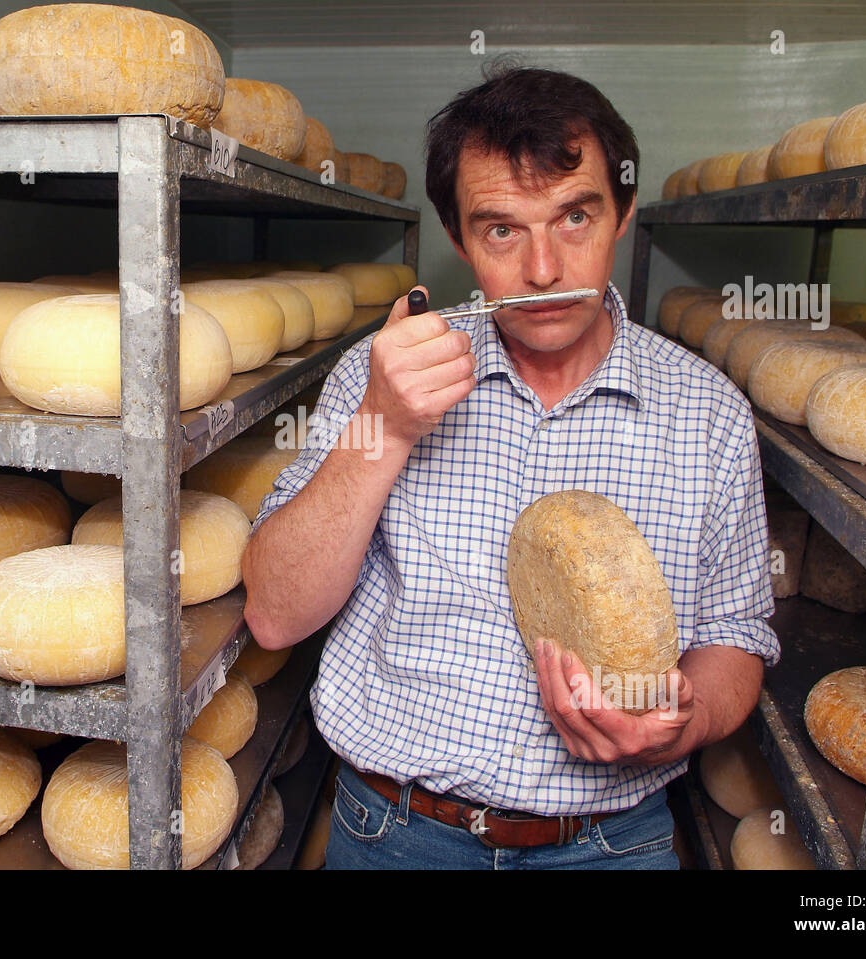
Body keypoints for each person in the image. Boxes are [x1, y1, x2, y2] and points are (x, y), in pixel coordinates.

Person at [241, 65, 779, 869]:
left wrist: (684, 720)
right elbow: (276, 613)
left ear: (623, 213)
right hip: (394, 833)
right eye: (501, 230)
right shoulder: (378, 376)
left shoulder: (711, 415)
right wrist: (384, 428)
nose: (542, 270)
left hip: (611, 843)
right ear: (459, 239)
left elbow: (736, 636)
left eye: (574, 218)